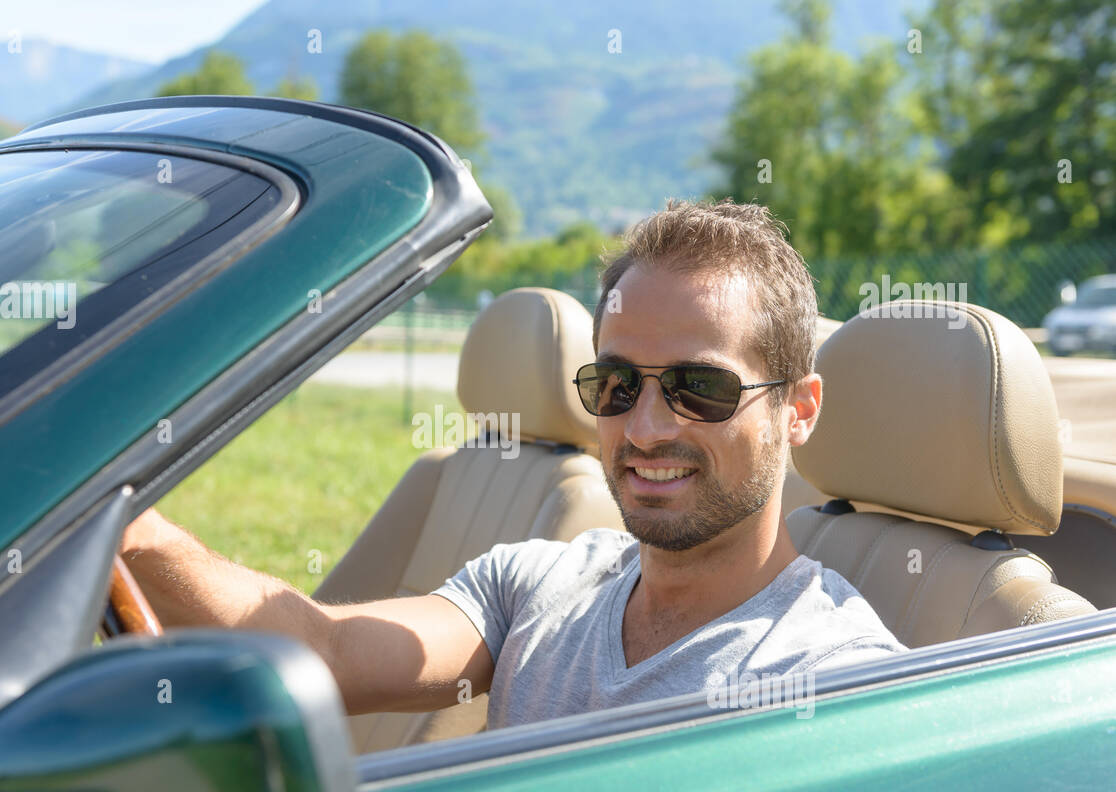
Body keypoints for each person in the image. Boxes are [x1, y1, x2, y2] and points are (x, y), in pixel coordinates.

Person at [120, 199, 906, 731]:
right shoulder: (535, 582)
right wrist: (125, 527)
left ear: (798, 409)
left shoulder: (832, 678)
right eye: (618, 383)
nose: (647, 425)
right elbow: (322, 650)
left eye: (700, 388)